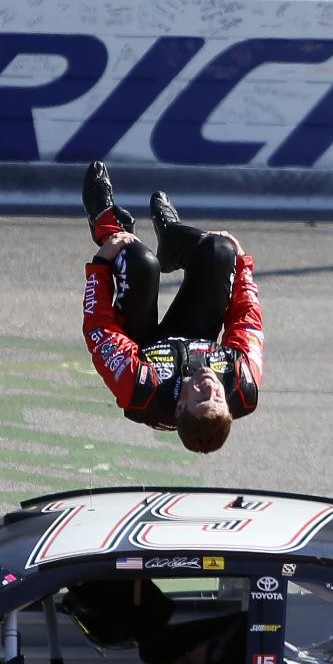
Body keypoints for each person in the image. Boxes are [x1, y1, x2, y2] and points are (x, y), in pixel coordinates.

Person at [79, 161, 263, 454]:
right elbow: (247, 322)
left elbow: (100, 330)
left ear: (179, 407)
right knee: (221, 251)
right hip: (196, 333)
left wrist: (101, 265)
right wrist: (243, 268)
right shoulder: (242, 382)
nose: (212, 389)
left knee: (141, 263)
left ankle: (106, 222)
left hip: (138, 344)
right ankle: (173, 240)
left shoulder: (141, 386)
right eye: (219, 399)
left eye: (202, 398)